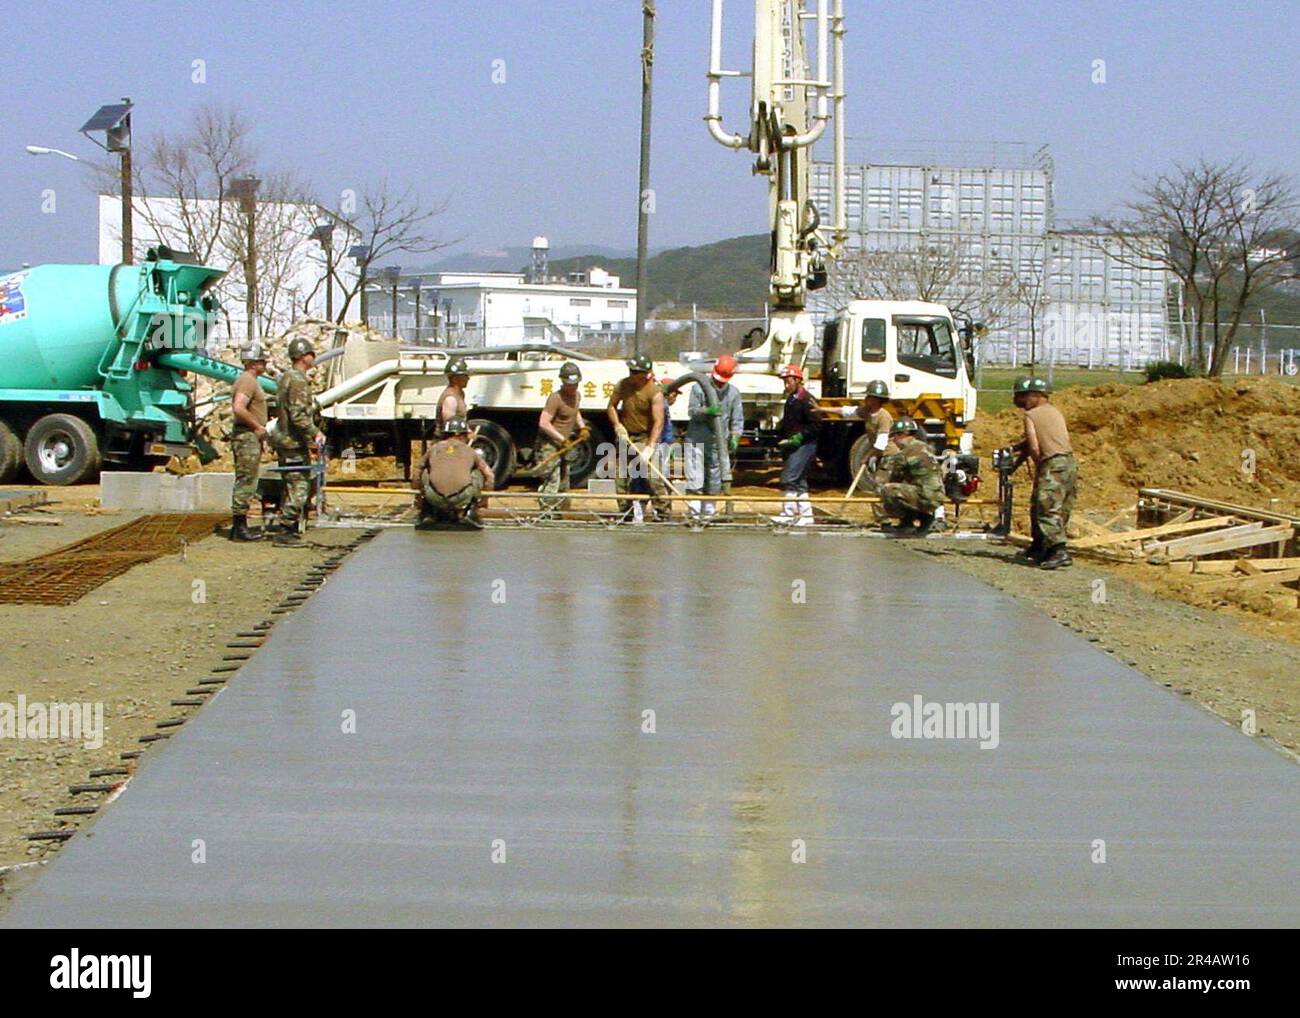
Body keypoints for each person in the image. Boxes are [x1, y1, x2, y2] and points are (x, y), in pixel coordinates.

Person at [1009, 376, 1077, 569]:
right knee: (1056, 505)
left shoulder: (1031, 416)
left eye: (1024, 396)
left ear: (1035, 396)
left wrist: (1038, 465)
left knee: (1046, 506)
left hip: (1051, 462)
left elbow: (1034, 447)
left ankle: (1058, 550)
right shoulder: (1054, 412)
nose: (1022, 402)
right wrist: (1016, 451)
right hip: (1068, 462)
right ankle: (1039, 546)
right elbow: (1042, 438)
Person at [271, 337, 325, 547]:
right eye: (312, 354)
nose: (314, 358)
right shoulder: (298, 380)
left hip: (285, 440)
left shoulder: (286, 377)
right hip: (292, 442)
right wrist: (315, 432)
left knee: (291, 485)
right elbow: (298, 414)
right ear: (304, 357)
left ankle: (290, 528)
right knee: (300, 487)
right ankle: (285, 529)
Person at [607, 354, 667, 519]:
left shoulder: (654, 392)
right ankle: (624, 513)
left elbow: (658, 422)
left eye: (635, 372)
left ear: (645, 374)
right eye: (631, 371)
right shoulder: (623, 385)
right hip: (626, 436)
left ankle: (663, 512)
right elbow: (611, 406)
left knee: (653, 477)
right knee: (621, 477)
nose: (631, 375)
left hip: (645, 437)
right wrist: (617, 425)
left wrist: (650, 447)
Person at [685, 353, 743, 518]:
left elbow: (737, 419)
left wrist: (735, 436)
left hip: (719, 443)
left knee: (715, 476)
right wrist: (706, 411)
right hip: (697, 440)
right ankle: (695, 514)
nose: (718, 383)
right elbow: (692, 411)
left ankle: (709, 512)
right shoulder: (699, 388)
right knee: (695, 476)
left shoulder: (733, 393)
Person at [415, 415, 495, 526]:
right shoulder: (470, 451)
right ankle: (470, 512)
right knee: (477, 472)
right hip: (462, 497)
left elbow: (417, 472)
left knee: (425, 472)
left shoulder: (434, 448)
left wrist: (418, 497)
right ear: (459, 434)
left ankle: (427, 512)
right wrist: (484, 500)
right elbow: (490, 476)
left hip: (433, 497)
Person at [228, 343, 270, 542]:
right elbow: (239, 407)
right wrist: (257, 427)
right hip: (247, 437)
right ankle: (240, 528)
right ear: (254, 363)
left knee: (247, 478)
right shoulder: (248, 381)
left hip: (248, 436)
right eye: (262, 360)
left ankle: (239, 527)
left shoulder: (250, 380)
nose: (265, 363)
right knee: (247, 480)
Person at [877, 418, 945, 536]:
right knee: (908, 489)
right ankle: (925, 519)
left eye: (894, 436)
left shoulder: (904, 453)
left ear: (902, 434)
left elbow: (895, 477)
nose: (893, 440)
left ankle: (907, 523)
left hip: (925, 496)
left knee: (888, 490)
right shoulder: (926, 448)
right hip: (938, 496)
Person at [772, 363, 820, 526]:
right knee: (799, 480)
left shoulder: (807, 400)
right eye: (784, 381)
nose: (786, 385)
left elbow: (816, 425)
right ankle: (807, 516)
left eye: (789, 381)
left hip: (805, 445)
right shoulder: (791, 400)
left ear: (798, 381)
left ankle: (789, 513)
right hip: (793, 445)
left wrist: (799, 437)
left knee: (790, 478)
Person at [536, 361, 588, 512]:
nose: (573, 388)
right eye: (570, 385)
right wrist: (561, 439)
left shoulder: (577, 395)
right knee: (553, 478)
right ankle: (546, 511)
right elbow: (544, 422)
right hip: (550, 444)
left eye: (575, 384)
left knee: (565, 479)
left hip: (566, 444)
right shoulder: (555, 398)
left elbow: (575, 411)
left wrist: (582, 427)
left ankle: (559, 510)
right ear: (563, 382)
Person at [841, 379, 894, 484]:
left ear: (876, 400)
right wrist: (821, 409)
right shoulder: (867, 412)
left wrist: (866, 457)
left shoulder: (883, 417)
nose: (865, 399)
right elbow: (847, 411)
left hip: (890, 456)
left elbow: (881, 444)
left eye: (868, 397)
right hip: (879, 455)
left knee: (881, 484)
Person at [438, 357, 471, 435]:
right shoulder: (450, 399)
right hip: (448, 443)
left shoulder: (460, 394)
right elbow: (450, 429)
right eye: (465, 376)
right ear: (455, 379)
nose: (468, 378)